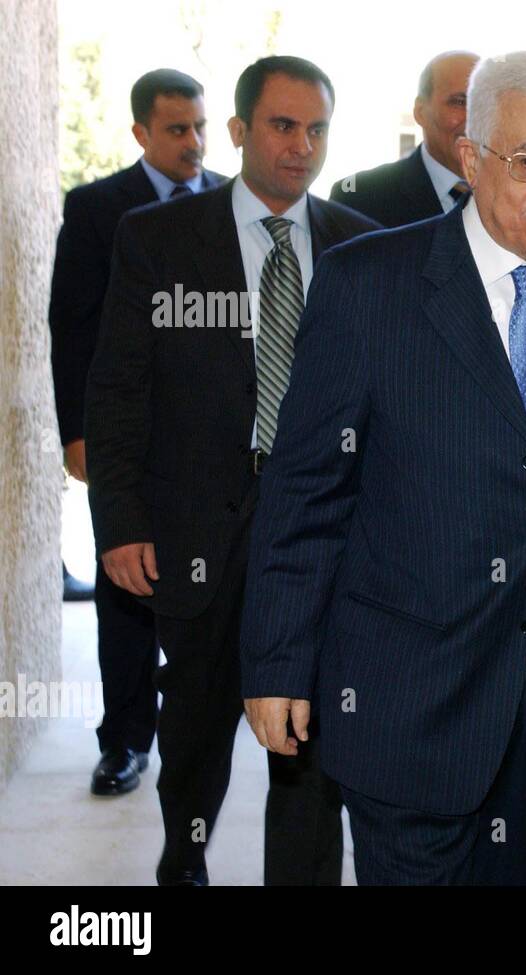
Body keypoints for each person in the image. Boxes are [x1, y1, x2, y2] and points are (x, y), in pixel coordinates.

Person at [239, 50, 526, 886]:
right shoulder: (368, 284)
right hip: (404, 703)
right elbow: (305, 491)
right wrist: (277, 661)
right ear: (470, 159)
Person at [85, 56, 380, 886]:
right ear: (243, 130)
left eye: (317, 129)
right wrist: (122, 522)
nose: (302, 146)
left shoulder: (359, 247)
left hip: (324, 533)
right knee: (196, 727)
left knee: (311, 736)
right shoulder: (158, 237)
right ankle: (184, 862)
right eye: (283, 126)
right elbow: (115, 391)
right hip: (196, 529)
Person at [49, 67, 225, 797]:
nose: (193, 143)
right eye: (177, 129)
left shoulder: (230, 201)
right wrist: (78, 432)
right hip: (127, 437)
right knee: (126, 588)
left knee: (213, 591)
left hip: (211, 442)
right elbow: (73, 324)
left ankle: (207, 729)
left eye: (201, 127)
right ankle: (124, 739)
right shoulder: (97, 208)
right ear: (141, 133)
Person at [329, 51, 478, 226]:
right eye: (460, 102)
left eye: (483, 103)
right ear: (420, 112)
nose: (475, 118)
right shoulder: (360, 198)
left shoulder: (512, 193)